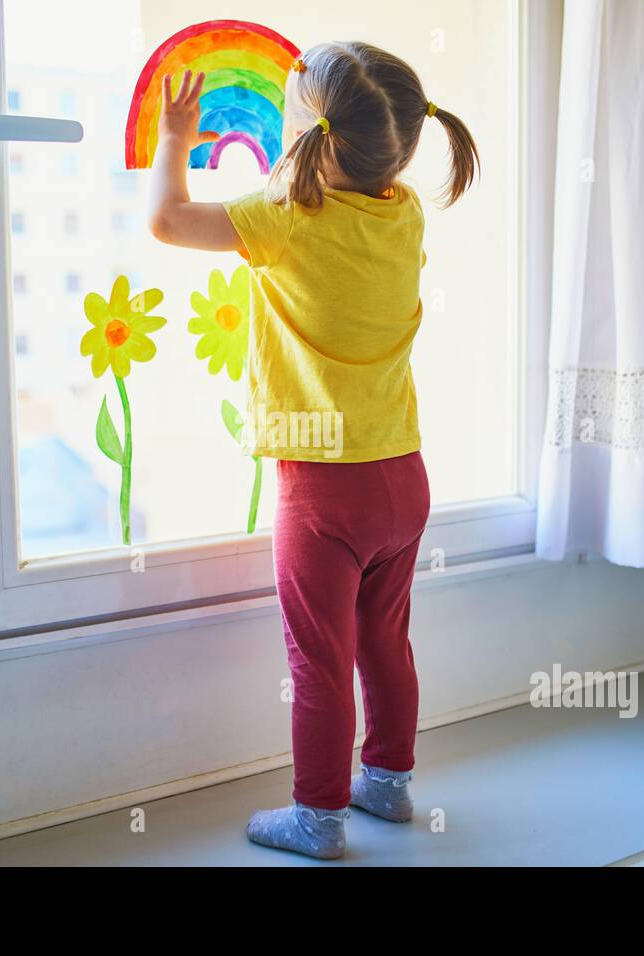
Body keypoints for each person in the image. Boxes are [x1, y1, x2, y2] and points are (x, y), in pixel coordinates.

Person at [147, 41, 479, 860]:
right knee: (384, 642)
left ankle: (319, 818)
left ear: (314, 139)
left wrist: (176, 138)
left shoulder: (282, 222)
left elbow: (165, 220)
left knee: (320, 662)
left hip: (322, 491)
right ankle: (390, 786)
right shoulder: (403, 212)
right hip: (403, 477)